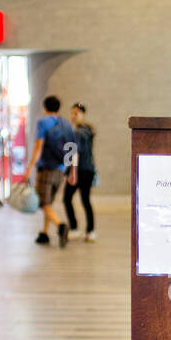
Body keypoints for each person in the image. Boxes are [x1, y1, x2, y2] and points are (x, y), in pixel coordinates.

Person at [28, 95, 76, 246]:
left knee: (43, 202)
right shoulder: (66, 124)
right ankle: (44, 233)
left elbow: (38, 146)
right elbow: (72, 149)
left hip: (46, 169)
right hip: (60, 169)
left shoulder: (43, 122)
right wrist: (68, 170)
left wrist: (29, 169)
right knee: (48, 202)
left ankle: (61, 226)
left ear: (45, 107)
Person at [64, 102, 97, 242]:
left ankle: (74, 228)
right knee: (86, 200)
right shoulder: (88, 130)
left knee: (66, 199)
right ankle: (90, 231)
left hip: (79, 171)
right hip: (89, 170)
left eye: (76, 113)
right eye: (72, 113)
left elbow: (75, 154)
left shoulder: (77, 132)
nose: (73, 116)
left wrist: (72, 173)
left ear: (83, 114)